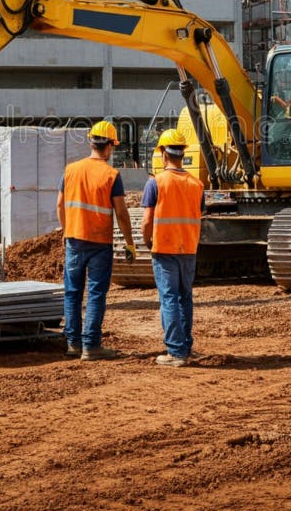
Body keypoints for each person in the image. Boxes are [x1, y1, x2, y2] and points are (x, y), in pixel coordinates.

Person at [57, 120, 136, 361]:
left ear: (91, 142)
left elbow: (60, 205)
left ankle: (73, 344)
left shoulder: (70, 170)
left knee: (72, 292)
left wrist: (66, 230)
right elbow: (121, 213)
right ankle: (91, 346)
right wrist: (130, 243)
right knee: (95, 294)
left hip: (75, 239)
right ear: (110, 146)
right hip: (100, 242)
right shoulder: (112, 175)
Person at [141, 128, 205, 368]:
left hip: (165, 248)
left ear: (163, 154)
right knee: (184, 298)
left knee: (169, 299)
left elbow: (147, 221)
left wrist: (148, 241)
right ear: (182, 154)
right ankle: (185, 346)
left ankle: (176, 351)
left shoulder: (155, 183)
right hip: (188, 248)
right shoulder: (196, 184)